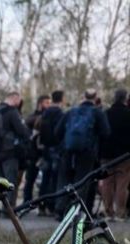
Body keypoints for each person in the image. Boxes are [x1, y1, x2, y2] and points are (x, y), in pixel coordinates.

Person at [54, 89, 111, 219]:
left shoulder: (70, 112)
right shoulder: (98, 113)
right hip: (87, 153)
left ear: (83, 97)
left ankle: (60, 210)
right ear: (96, 98)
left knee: (64, 179)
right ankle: (76, 212)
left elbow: (57, 132)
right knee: (82, 181)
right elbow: (106, 133)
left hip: (67, 152)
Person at [0, 92, 31, 217]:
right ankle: (8, 211)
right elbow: (22, 131)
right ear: (15, 99)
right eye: (19, 101)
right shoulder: (12, 112)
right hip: (9, 153)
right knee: (10, 183)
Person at [98, 88, 130, 220]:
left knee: (107, 183)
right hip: (124, 154)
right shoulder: (128, 114)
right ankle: (120, 213)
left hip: (107, 153)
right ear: (125, 99)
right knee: (122, 184)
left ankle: (108, 211)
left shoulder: (106, 113)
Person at [36, 90, 66, 216]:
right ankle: (52, 206)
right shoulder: (60, 113)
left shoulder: (45, 113)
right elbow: (60, 131)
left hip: (46, 149)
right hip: (56, 149)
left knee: (45, 178)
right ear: (62, 99)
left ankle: (41, 205)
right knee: (55, 179)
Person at [22, 95, 50, 204]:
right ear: (40, 103)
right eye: (46, 103)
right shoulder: (33, 118)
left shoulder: (43, 117)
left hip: (42, 153)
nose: (49, 105)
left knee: (44, 181)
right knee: (30, 180)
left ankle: (39, 203)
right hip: (34, 154)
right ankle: (27, 202)